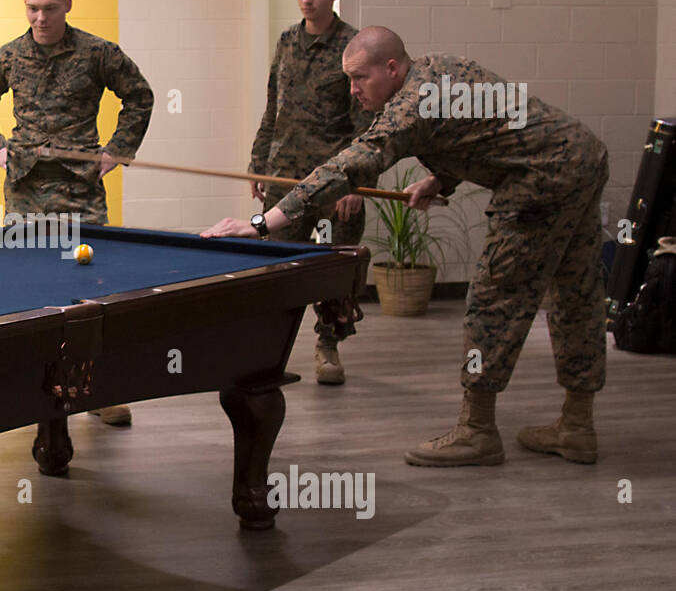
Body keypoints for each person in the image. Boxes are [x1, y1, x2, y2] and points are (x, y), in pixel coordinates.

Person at [203, 26, 609, 467]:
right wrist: (441, 179)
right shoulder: (438, 67)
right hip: (583, 157)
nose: (353, 90)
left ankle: (477, 432)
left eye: (361, 78)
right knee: (577, 293)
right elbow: (488, 130)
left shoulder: (411, 106)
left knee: (495, 301)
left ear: (391, 68)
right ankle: (577, 426)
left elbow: (350, 165)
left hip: (542, 181)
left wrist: (262, 224)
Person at [0, 0, 154, 425]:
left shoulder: (96, 52)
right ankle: (35, 392)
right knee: (28, 293)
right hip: (25, 188)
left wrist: (118, 150)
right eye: (33, 8)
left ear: (67, 5)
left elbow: (140, 97)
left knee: (92, 293)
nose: (41, 17)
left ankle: (97, 391)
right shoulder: (6, 56)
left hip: (80, 188)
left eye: (50, 8)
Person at [249, 0, 374, 384]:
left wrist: (359, 185)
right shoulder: (286, 41)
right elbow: (273, 106)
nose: (306, 0)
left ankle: (328, 346)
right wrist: (258, 164)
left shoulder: (355, 47)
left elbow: (368, 124)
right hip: (285, 178)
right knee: (279, 269)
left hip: (337, 182)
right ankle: (270, 349)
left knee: (336, 272)